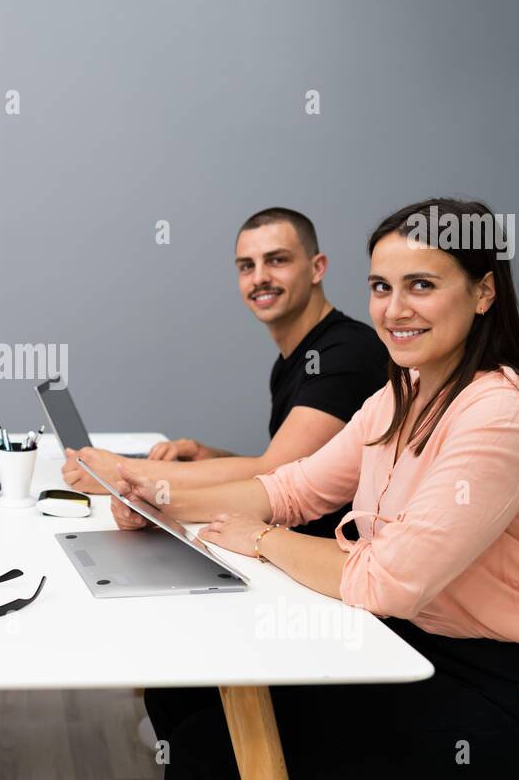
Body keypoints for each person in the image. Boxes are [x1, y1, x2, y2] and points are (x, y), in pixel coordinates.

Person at [111, 198, 519, 780]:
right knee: (186, 691)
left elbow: (387, 581)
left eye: (421, 285)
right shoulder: (401, 393)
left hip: (506, 693)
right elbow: (294, 487)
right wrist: (157, 502)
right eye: (381, 287)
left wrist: (263, 540)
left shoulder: (503, 414)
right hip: (406, 640)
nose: (394, 310)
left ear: (483, 292)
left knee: (210, 753)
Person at [63, 207, 386, 538]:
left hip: (332, 568)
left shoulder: (347, 353)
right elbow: (297, 468)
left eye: (277, 260)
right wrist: (211, 457)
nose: (259, 277)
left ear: (317, 268)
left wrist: (119, 471)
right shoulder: (295, 357)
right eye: (247, 266)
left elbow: (276, 473)